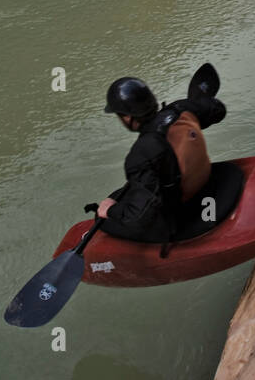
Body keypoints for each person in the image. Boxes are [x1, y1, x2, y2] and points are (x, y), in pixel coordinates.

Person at [96, 67, 226, 251]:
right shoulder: (181, 109)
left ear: (127, 117)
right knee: (121, 194)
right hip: (206, 184)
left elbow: (138, 218)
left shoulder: (140, 155)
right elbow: (218, 110)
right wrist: (195, 110)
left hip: (184, 208)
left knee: (104, 217)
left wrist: (109, 211)